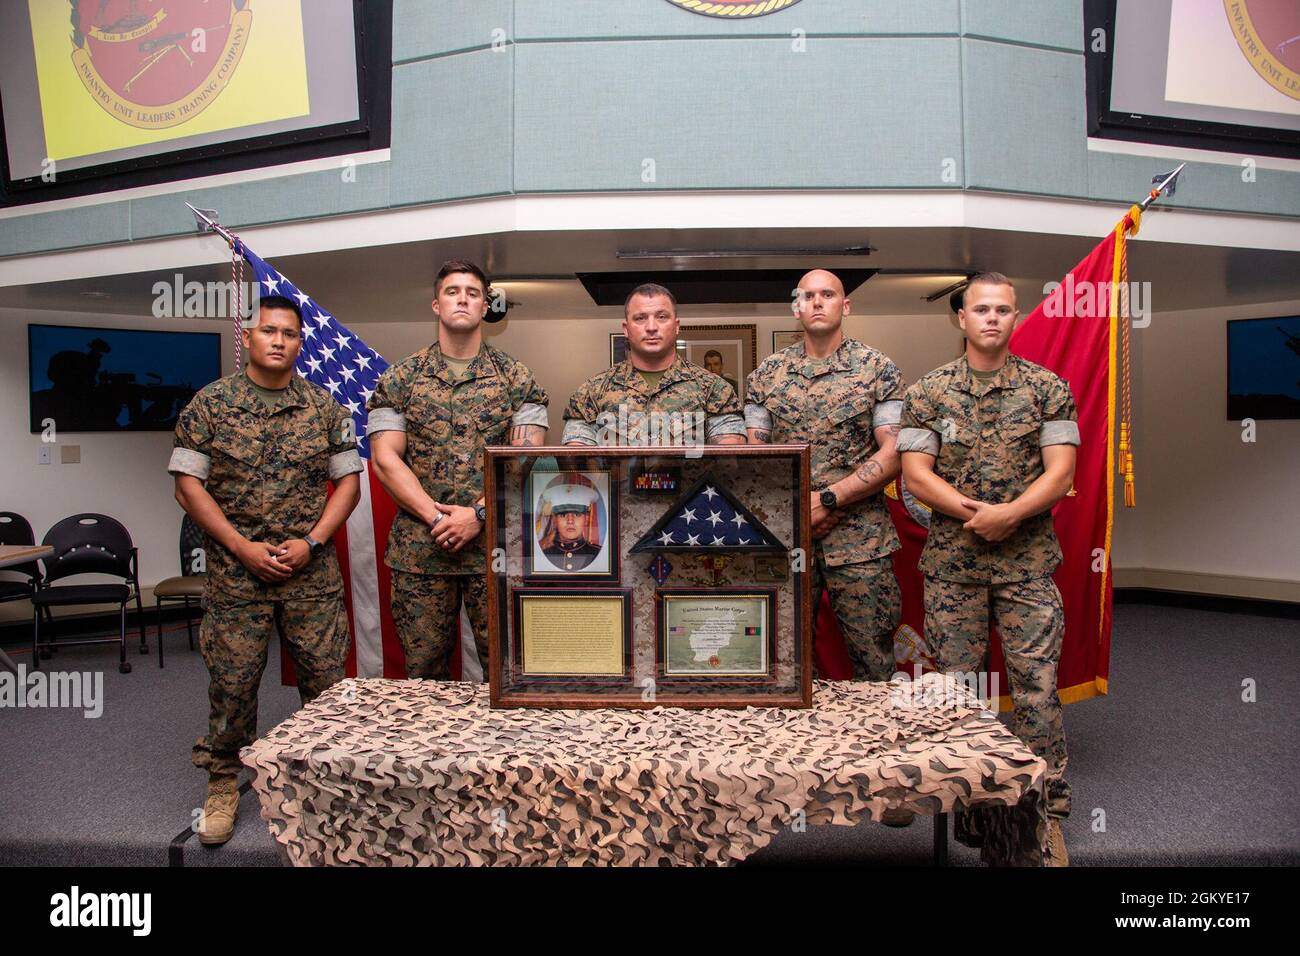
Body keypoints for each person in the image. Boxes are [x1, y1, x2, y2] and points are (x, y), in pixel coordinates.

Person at [897, 271, 1079, 866]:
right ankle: (974, 812)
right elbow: (917, 475)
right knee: (960, 693)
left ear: (1016, 316)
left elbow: (1060, 473)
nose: (992, 318)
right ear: (961, 318)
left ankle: (1041, 813)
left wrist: (1010, 516)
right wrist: (978, 516)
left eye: (1003, 309)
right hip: (955, 570)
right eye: (981, 309)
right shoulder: (928, 392)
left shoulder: (1047, 388)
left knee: (1037, 690)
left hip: (1026, 566)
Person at [169, 294, 362, 846]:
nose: (279, 340)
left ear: (301, 343)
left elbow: (347, 483)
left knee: (327, 687)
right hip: (237, 576)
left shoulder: (324, 408)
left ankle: (328, 784)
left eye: (290, 333)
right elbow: (188, 486)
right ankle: (224, 781)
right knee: (233, 683)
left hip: (311, 575)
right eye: (269, 330)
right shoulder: (210, 405)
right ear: (248, 337)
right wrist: (239, 546)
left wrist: (312, 541)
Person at [367, 259, 548, 680]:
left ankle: (505, 749)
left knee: (507, 670)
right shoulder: (400, 378)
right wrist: (436, 517)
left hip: (495, 551)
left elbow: (525, 458)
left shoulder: (517, 378)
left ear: (486, 306)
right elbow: (385, 458)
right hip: (422, 551)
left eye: (472, 292)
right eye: (452, 291)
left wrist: (478, 515)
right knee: (424, 674)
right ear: (436, 305)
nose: (462, 298)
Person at [746, 269, 905, 684]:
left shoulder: (877, 369)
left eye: (828, 295)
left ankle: (878, 745)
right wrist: (801, 507)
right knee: (786, 662)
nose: (817, 302)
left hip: (861, 541)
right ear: (797, 307)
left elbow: (893, 451)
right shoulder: (768, 374)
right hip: (786, 536)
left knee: (874, 660)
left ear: (845, 305)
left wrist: (829, 498)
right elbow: (754, 455)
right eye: (808, 295)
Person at [563, 283, 745, 447]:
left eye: (662, 317)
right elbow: (579, 461)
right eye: (640, 318)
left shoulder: (714, 389)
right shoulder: (592, 391)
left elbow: (729, 460)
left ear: (676, 326)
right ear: (626, 329)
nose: (651, 327)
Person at [538, 479, 602, 571]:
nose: (570, 521)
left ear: (586, 519)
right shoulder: (543, 556)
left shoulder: (598, 554)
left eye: (577, 514)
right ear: (555, 520)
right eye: (563, 514)